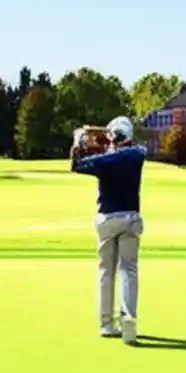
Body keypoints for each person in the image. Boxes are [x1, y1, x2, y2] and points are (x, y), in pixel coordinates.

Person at [71, 115, 146, 344]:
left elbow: (76, 165)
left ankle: (106, 324)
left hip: (106, 220)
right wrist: (110, 138)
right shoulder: (136, 155)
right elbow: (136, 149)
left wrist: (79, 141)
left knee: (106, 272)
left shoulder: (103, 161)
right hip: (130, 218)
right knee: (129, 270)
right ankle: (128, 318)